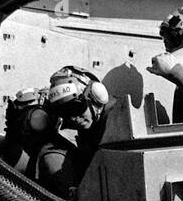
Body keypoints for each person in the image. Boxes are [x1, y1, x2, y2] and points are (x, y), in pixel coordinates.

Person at [35, 65, 126, 194]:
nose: (73, 118)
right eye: (65, 113)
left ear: (96, 96)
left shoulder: (118, 117)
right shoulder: (92, 120)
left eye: (76, 108)